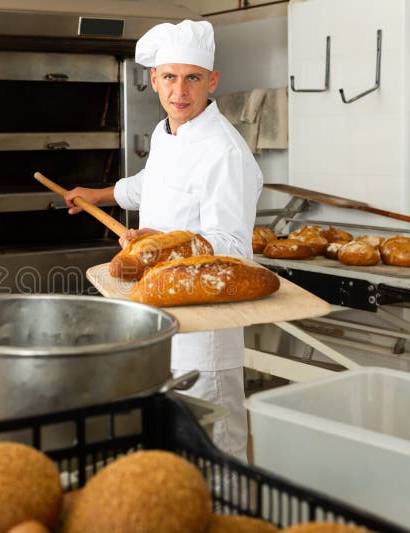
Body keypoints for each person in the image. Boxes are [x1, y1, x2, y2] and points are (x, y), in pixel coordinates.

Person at [63, 19, 262, 461]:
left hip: (205, 330)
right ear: (153, 79)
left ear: (212, 81)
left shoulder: (225, 152)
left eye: (193, 78)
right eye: (170, 77)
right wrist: (98, 195)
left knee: (214, 450)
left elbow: (234, 246)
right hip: (160, 313)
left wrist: (166, 243)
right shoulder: (166, 131)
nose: (180, 91)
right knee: (170, 448)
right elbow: (151, 184)